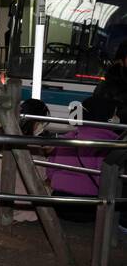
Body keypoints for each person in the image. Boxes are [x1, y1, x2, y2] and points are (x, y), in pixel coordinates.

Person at [48, 95, 124, 224]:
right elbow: (106, 183)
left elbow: (50, 171)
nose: (117, 118)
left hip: (58, 203)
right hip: (90, 207)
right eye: (114, 114)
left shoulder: (66, 138)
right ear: (105, 117)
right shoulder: (109, 144)